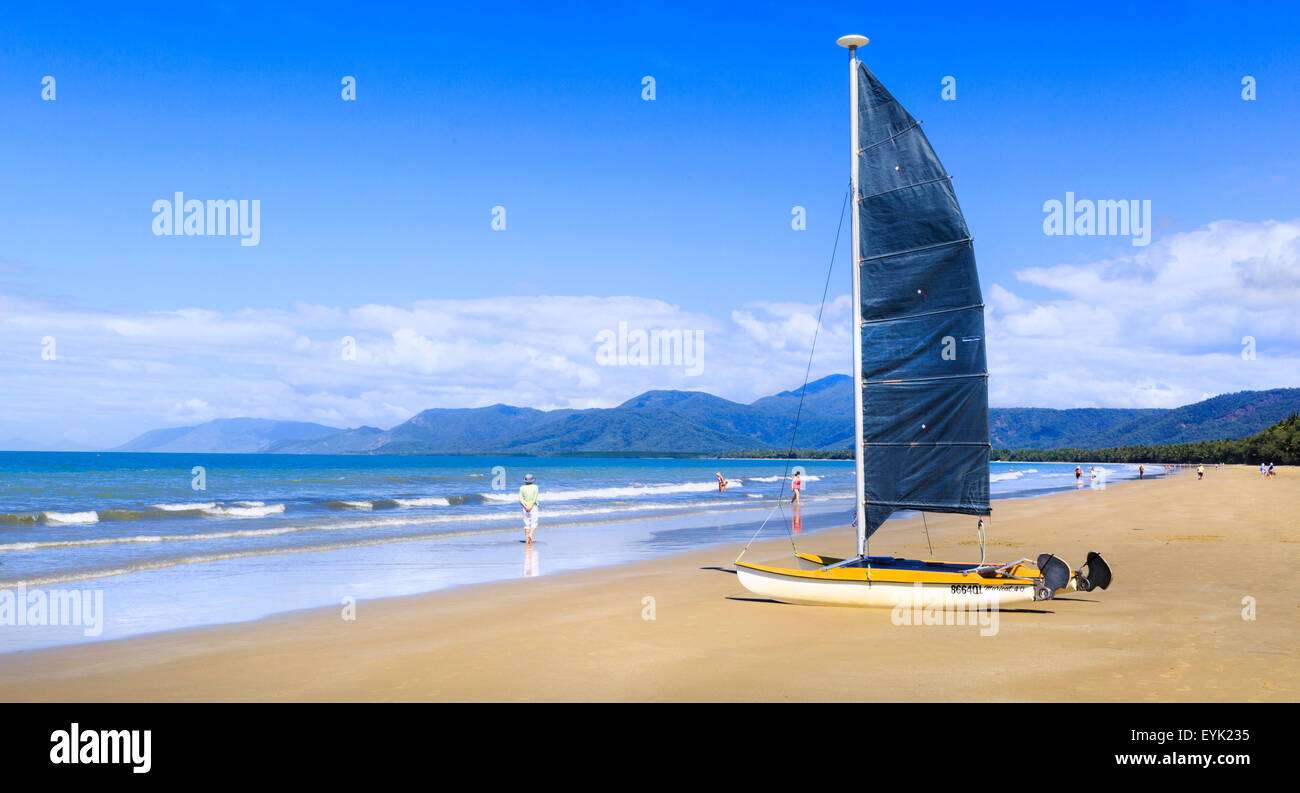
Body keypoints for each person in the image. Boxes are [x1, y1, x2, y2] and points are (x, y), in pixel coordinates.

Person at [519, 473, 539, 544]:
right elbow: (534, 498)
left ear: (525, 481)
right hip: (533, 507)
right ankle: (530, 535)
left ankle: (527, 539)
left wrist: (525, 506)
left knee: (526, 523)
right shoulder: (535, 487)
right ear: (532, 480)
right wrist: (531, 506)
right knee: (534, 522)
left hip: (525, 508)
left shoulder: (522, 488)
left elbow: (521, 499)